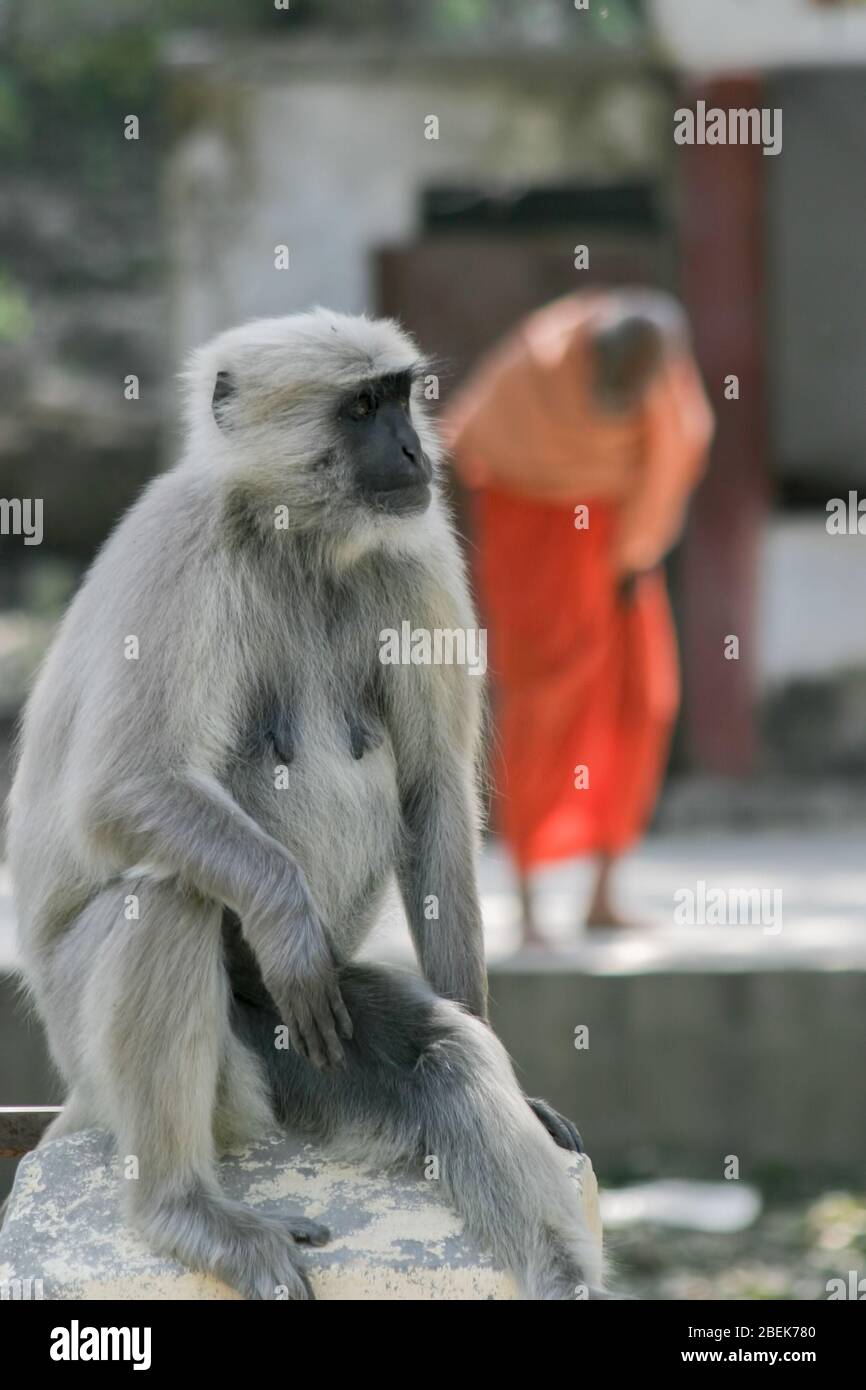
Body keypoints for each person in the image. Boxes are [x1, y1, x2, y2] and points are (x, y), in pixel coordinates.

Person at [443, 290, 714, 942]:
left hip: (622, 550)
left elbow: (677, 451)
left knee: (640, 702)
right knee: (543, 707)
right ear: (597, 354)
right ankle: (531, 905)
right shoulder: (540, 360)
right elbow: (470, 439)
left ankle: (601, 894)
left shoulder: (661, 373)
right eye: (619, 378)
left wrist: (629, 554)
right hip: (536, 545)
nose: (630, 392)